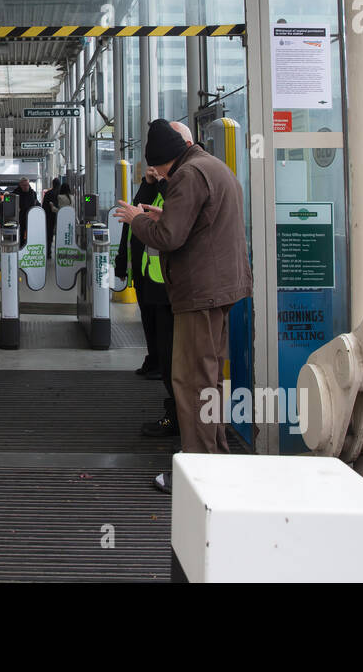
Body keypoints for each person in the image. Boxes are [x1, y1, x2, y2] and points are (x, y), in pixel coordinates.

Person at [113, 120, 251, 486]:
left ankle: (197, 471)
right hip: (220, 290)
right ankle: (215, 458)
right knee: (208, 379)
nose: (155, 173)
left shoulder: (188, 176)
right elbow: (198, 224)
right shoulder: (213, 166)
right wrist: (163, 215)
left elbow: (170, 237)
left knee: (190, 381)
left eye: (155, 167)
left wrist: (139, 219)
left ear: (164, 158)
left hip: (199, 293)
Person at [113, 161, 180, 440]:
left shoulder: (179, 186)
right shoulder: (155, 186)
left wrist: (161, 183)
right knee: (157, 341)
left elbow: (171, 224)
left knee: (172, 355)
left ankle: (178, 418)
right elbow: (135, 217)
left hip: (167, 285)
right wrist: (149, 183)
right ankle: (154, 364)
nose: (155, 168)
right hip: (147, 278)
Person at [15, 176, 37, 245]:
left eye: (27, 185)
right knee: (20, 234)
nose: (26, 187)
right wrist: (15, 207)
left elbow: (36, 203)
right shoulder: (15, 192)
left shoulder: (32, 193)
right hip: (20, 217)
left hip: (30, 217)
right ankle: (21, 246)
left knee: (30, 233)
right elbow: (8, 200)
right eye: (24, 185)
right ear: (20, 185)